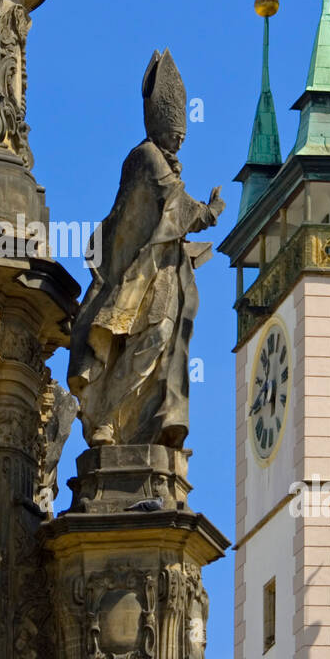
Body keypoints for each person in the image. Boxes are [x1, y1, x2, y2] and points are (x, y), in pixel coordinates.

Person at [68, 51, 224, 450]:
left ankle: (142, 426)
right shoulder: (146, 157)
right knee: (150, 342)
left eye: (183, 136)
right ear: (159, 128)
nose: (179, 142)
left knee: (162, 348)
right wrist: (209, 212)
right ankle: (108, 421)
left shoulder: (163, 162)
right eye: (175, 134)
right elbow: (174, 205)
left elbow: (170, 215)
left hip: (166, 274)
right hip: (141, 281)